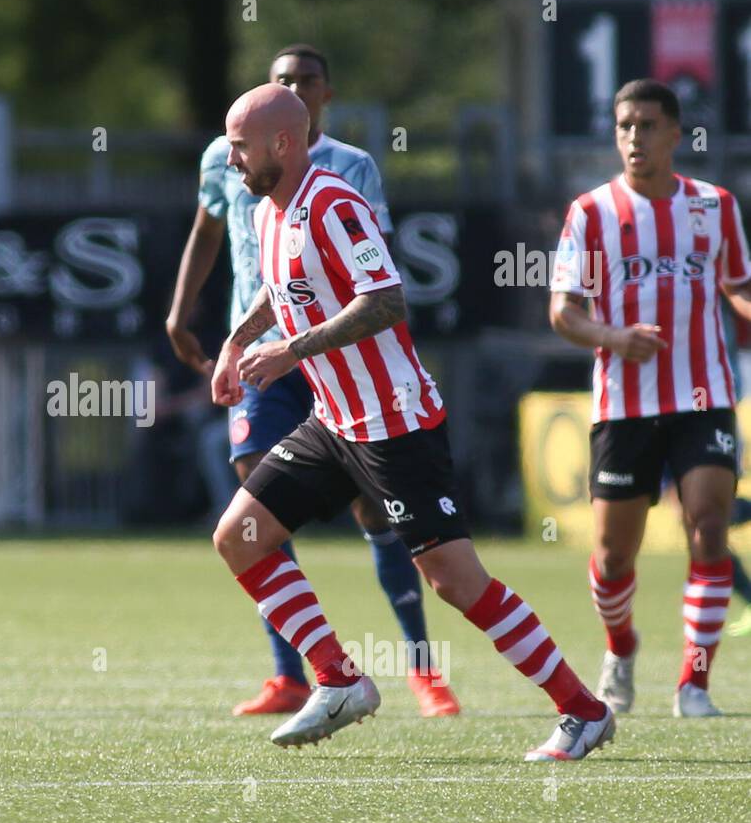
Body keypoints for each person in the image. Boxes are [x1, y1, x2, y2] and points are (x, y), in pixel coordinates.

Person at [210, 84, 612, 761]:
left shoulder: (335, 204)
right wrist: (236, 342)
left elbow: (387, 299)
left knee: (458, 583)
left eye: (240, 145)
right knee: (240, 537)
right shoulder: (267, 214)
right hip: (334, 422)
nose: (232, 159)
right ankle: (339, 678)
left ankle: (584, 709)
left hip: (395, 422)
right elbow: (283, 295)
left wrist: (291, 352)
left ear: (283, 142)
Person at [167, 44, 459, 718]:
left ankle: (420, 666)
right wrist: (186, 313)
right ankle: (296, 673)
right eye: (280, 78)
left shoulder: (350, 170)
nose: (292, 85)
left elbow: (375, 278)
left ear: (320, 98)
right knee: (253, 494)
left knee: (377, 514)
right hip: (265, 356)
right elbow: (207, 229)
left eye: (304, 80)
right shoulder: (227, 157)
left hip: (338, 359)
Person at [549, 78, 751, 717]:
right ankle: (621, 647)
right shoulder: (591, 213)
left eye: (646, 125)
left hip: (705, 394)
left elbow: (738, 285)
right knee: (612, 557)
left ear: (675, 133)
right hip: (623, 403)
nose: (633, 138)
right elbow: (564, 311)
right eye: (624, 126)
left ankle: (694, 683)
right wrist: (613, 336)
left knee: (710, 527)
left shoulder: (715, 206)